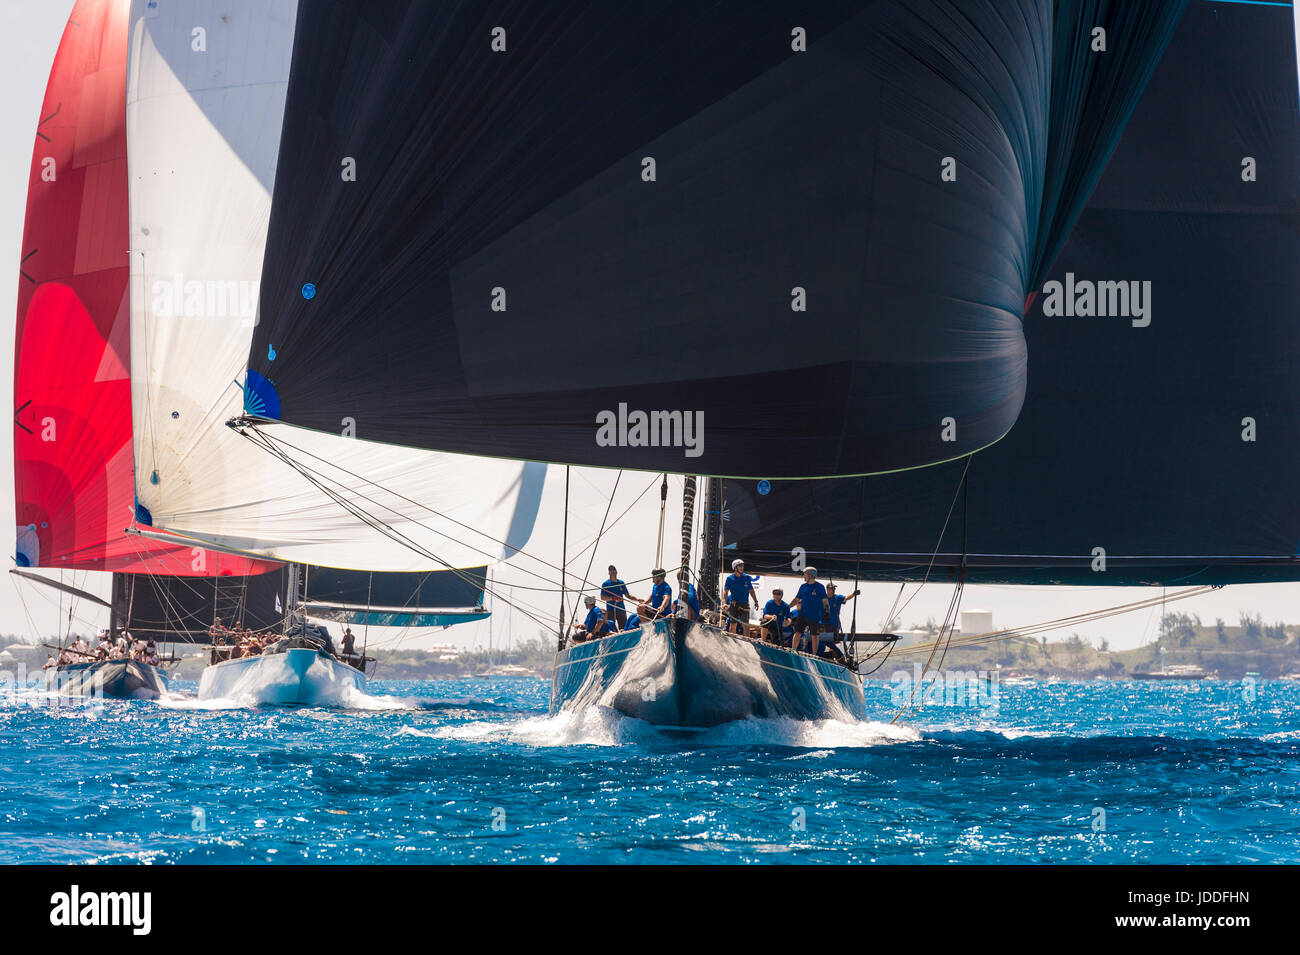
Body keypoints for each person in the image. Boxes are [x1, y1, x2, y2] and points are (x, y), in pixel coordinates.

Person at [789, 566, 830, 655]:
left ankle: (814, 654)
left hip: (814, 615)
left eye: (805, 574)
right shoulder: (803, 586)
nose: (804, 576)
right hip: (803, 614)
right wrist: (787, 607)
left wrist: (827, 612)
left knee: (814, 635)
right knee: (797, 632)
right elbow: (796, 599)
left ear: (811, 575)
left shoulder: (820, 587)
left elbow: (825, 601)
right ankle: (793, 650)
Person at [722, 559, 759, 634]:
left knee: (745, 625)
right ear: (735, 568)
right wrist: (724, 603)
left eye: (743, 565)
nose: (742, 567)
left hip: (745, 604)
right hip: (734, 604)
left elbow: (751, 590)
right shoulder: (730, 578)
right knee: (733, 624)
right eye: (740, 566)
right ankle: (731, 641)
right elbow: (725, 592)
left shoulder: (747, 577)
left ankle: (747, 642)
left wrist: (756, 601)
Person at [600, 566, 631, 631]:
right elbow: (602, 597)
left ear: (616, 571)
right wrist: (613, 598)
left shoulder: (621, 583)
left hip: (621, 608)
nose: (612, 571)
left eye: (613, 570)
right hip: (611, 609)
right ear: (608, 572)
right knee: (612, 628)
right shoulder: (605, 584)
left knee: (624, 628)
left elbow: (628, 595)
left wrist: (637, 599)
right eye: (610, 570)